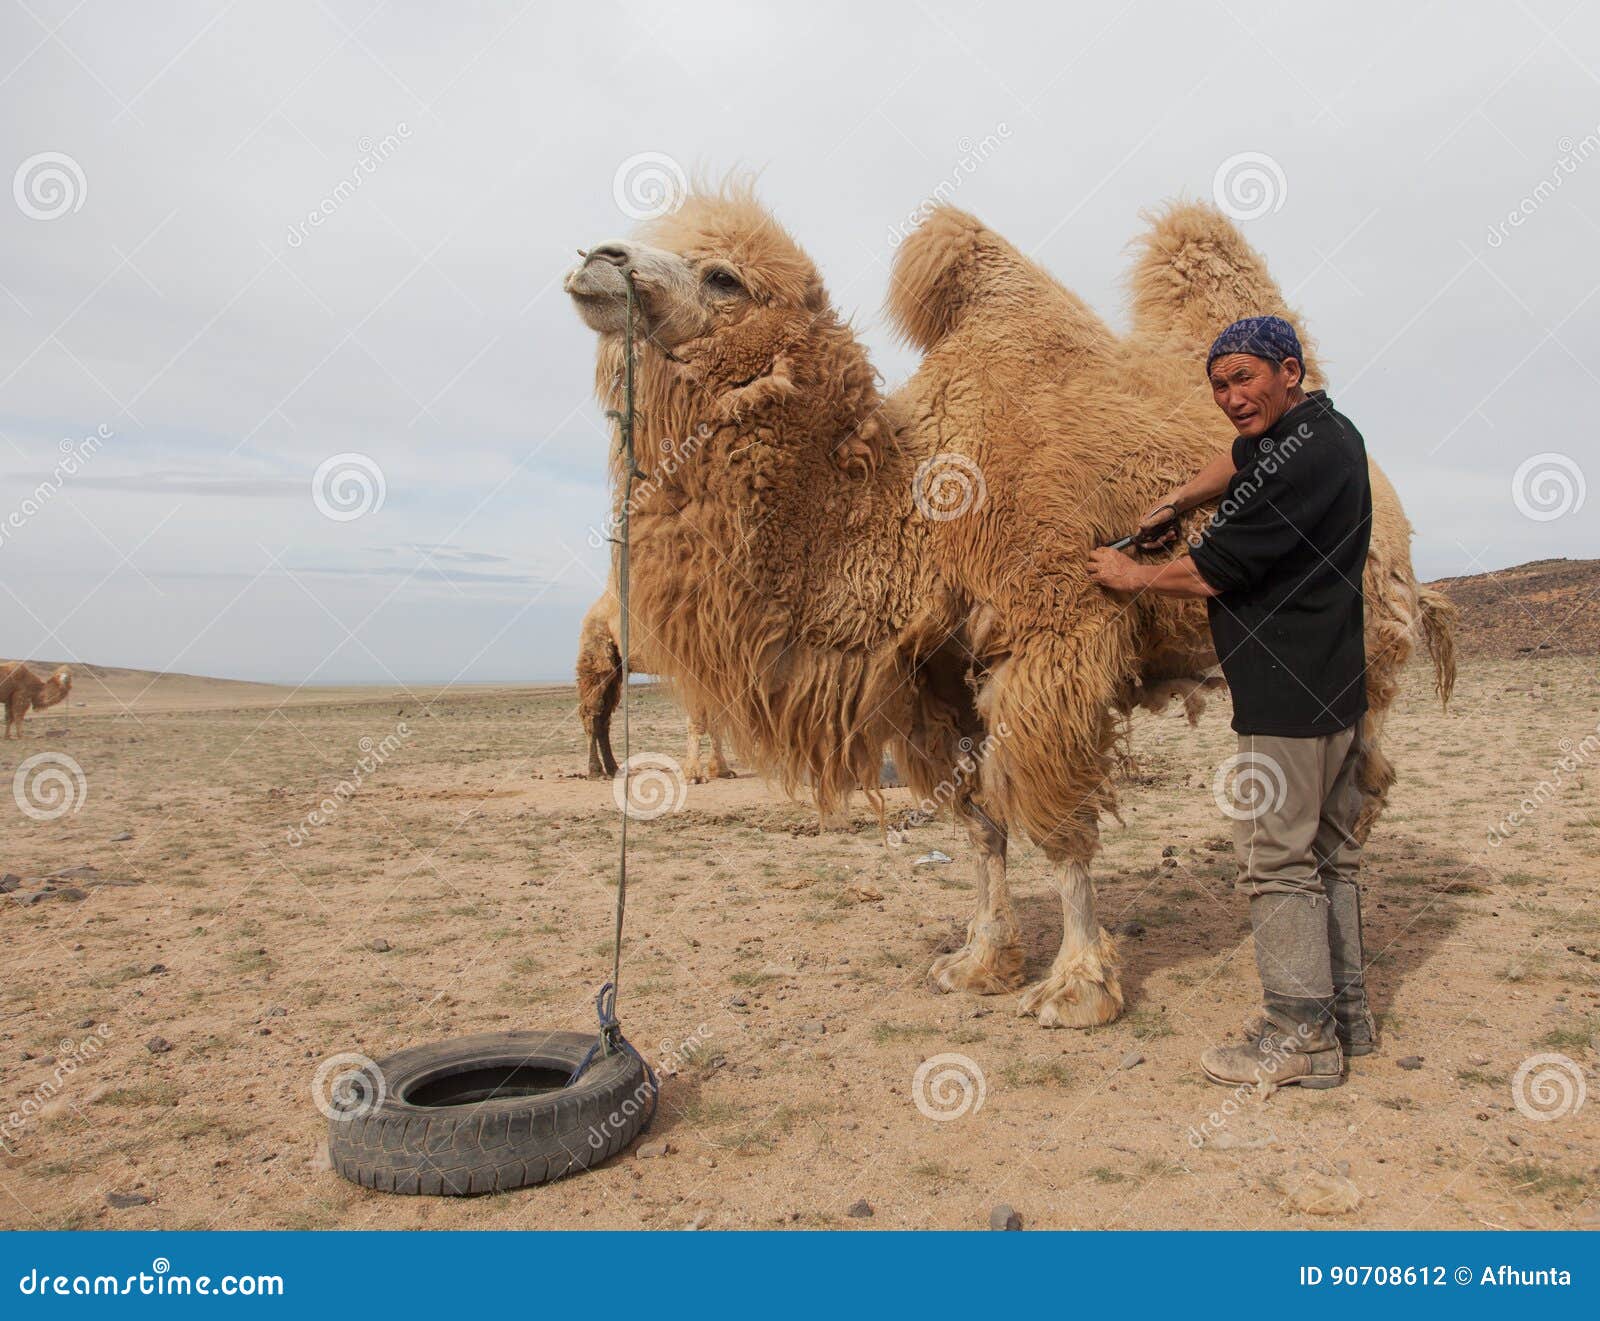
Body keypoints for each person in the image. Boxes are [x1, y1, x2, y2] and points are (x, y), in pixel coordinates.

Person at [1086, 315, 1375, 1090]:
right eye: (1218, 384)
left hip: (1286, 694)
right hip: (1336, 683)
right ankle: (1346, 1015)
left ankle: (1299, 1038)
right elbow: (1236, 458)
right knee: (1328, 854)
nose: (1230, 397)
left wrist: (1130, 574)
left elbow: (1210, 571)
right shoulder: (1326, 433)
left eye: (1244, 377)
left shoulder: (1293, 468)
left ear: (1289, 370)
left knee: (1275, 859)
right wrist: (1178, 498)